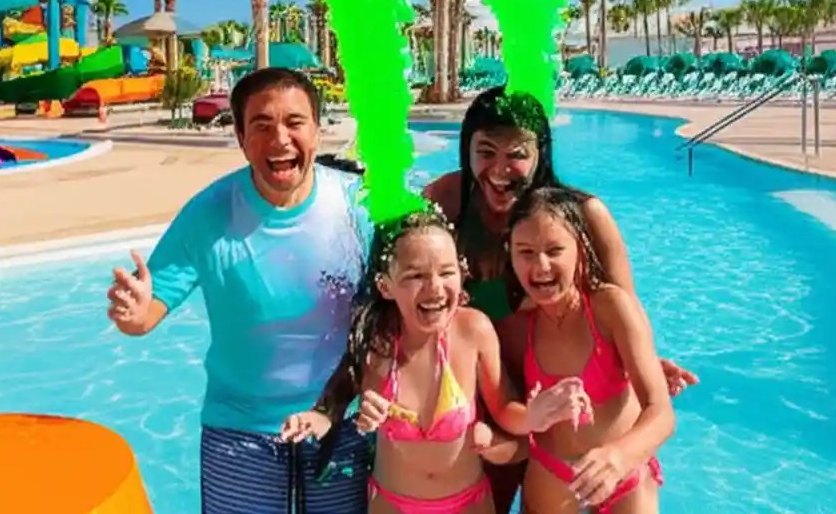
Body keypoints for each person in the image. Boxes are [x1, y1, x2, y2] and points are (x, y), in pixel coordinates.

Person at [107, 67, 374, 512]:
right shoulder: (209, 214)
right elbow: (148, 311)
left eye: (294, 123)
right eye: (262, 126)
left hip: (340, 425)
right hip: (239, 435)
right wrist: (133, 315)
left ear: (318, 129)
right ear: (240, 136)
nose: (280, 139)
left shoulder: (356, 206)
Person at [421, 86, 695, 512]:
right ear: (467, 149)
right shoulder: (446, 202)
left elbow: (622, 314)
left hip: (560, 408)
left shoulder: (585, 217)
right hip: (483, 406)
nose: (499, 169)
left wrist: (633, 361)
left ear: (541, 153)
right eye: (486, 151)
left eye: (517, 153)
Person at [281, 209, 590, 514]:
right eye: (415, 275)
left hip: (467, 504)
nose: (435, 288)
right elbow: (340, 394)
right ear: (385, 285)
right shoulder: (375, 342)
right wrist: (322, 417)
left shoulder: (473, 332)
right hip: (392, 505)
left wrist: (533, 416)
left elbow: (506, 411)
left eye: (446, 272)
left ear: (462, 274)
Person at [506, 186, 674, 512]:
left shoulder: (610, 309)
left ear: (580, 248)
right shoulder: (515, 330)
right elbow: (504, 413)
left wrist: (620, 456)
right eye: (525, 252)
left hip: (625, 476)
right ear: (509, 253)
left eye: (554, 250)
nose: (540, 266)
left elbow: (661, 412)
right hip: (551, 482)